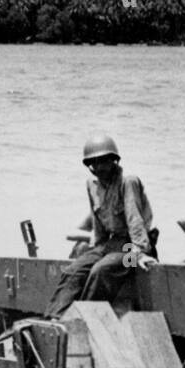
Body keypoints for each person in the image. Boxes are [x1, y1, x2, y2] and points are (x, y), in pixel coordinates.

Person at [44, 133, 157, 318]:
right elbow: (98, 226)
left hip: (133, 246)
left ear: (114, 161)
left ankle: (82, 320)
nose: (98, 167)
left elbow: (134, 219)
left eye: (103, 162)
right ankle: (54, 320)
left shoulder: (128, 181)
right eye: (93, 163)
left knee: (101, 271)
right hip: (110, 244)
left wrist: (141, 253)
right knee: (74, 271)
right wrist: (93, 253)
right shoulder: (92, 184)